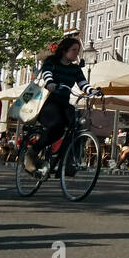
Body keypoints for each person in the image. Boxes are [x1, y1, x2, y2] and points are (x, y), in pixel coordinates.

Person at [26, 36, 102, 175]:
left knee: (77, 125)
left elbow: (82, 83)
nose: (76, 54)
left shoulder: (75, 69)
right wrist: (50, 83)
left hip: (64, 104)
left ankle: (65, 160)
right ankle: (32, 153)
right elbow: (47, 73)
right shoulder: (52, 62)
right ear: (64, 50)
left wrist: (93, 91)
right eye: (74, 50)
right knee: (57, 125)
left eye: (78, 51)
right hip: (48, 103)